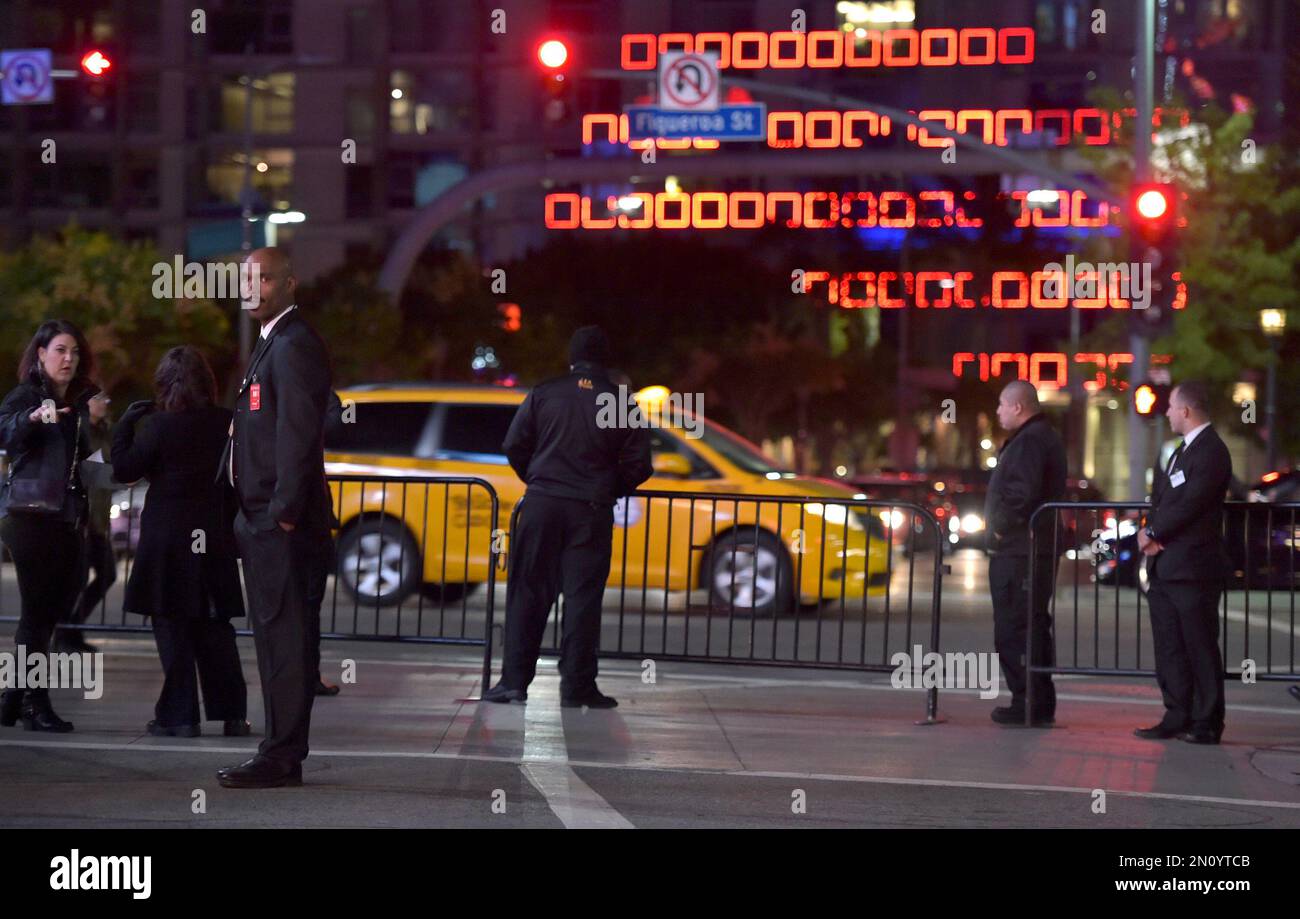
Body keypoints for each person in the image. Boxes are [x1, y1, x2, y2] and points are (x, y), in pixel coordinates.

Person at [482, 326, 652, 708]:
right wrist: (609, 487)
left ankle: (512, 682)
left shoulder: (545, 393)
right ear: (605, 359)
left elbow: (514, 444)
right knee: (582, 600)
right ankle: (577, 687)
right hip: (589, 510)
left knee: (528, 592)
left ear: (571, 357)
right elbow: (641, 464)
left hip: (542, 504)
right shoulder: (621, 403)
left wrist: (539, 480)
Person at [216, 247, 334, 788]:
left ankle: (281, 756)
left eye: (262, 278)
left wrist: (282, 514)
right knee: (274, 639)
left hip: (280, 523)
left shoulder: (292, 344)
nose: (251, 287)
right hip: (260, 519)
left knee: (285, 641)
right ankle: (278, 751)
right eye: (245, 277)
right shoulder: (272, 343)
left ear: (289, 283)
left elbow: (298, 433)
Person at [111, 347, 249, 738]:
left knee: (171, 625)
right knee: (214, 625)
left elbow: (125, 469)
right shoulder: (225, 421)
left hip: (167, 537)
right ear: (207, 381)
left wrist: (123, 427)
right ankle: (232, 713)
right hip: (211, 532)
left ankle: (179, 714)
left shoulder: (157, 425)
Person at [0, 320, 97, 732]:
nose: (68, 359)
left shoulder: (77, 403)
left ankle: (11, 699)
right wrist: (32, 418)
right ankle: (34, 705)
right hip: (28, 517)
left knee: (48, 614)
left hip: (65, 518)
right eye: (59, 350)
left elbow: (87, 460)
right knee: (37, 614)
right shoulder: (26, 396)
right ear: (40, 354)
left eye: (73, 351)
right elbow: (3, 431)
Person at [1135, 381, 1231, 744]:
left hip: (1194, 568)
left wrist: (1154, 532)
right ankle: (1178, 713)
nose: (1168, 413)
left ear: (1186, 411)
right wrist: (1152, 530)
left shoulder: (1211, 451)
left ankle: (1206, 722)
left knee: (1200, 645)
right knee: (1171, 645)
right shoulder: (1180, 450)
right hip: (1169, 567)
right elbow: (1163, 499)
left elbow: (1192, 503)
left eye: (1172, 407)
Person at [983, 380, 1066, 726]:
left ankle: (1027, 700)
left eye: (1002, 404)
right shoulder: (1037, 437)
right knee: (1031, 624)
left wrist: (1000, 527)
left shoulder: (1030, 440)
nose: (998, 410)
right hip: (1029, 549)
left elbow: (1021, 492)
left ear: (1018, 406)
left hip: (1021, 551)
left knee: (1016, 626)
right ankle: (1036, 701)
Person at [59, 390, 116, 654]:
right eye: (99, 399)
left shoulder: (105, 431)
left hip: (99, 519)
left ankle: (72, 630)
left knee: (106, 575)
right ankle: (64, 634)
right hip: (80, 518)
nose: (105, 404)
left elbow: (107, 470)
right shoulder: (78, 430)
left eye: (106, 400)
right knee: (77, 579)